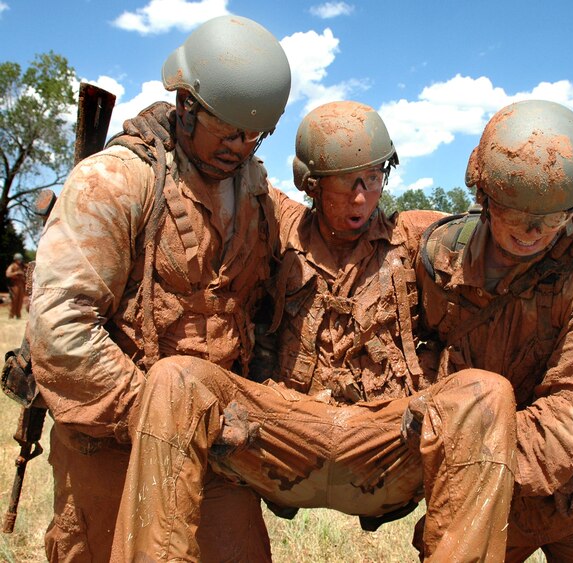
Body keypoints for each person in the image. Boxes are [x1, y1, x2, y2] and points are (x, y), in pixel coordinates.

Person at [112, 100, 518, 561]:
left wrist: (550, 202)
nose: (361, 198)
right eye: (345, 183)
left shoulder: (413, 236)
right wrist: (176, 129)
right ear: (312, 184)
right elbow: (225, 167)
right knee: (175, 380)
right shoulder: (277, 224)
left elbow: (505, 234)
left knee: (487, 393)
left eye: (373, 178)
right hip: (285, 436)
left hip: (386, 441)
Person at [27, 15, 293, 561]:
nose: (242, 146)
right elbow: (61, 329)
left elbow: (302, 252)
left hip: (218, 449)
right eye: (228, 130)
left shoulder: (255, 190)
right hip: (111, 443)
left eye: (255, 134)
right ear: (187, 103)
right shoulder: (116, 180)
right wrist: (165, 417)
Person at [417, 100, 573, 561]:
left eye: (554, 217)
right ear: (484, 196)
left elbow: (571, 420)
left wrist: (462, 451)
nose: (532, 231)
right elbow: (419, 347)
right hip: (477, 492)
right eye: (514, 214)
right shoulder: (444, 256)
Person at [5, 252, 26, 319]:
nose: (20, 261)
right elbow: (8, 274)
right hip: (14, 286)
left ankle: (18, 315)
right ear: (15, 259)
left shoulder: (22, 266)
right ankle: (11, 315)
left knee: (20, 301)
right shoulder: (12, 266)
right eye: (18, 259)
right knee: (14, 300)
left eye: (20, 259)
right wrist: (16, 273)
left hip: (21, 285)